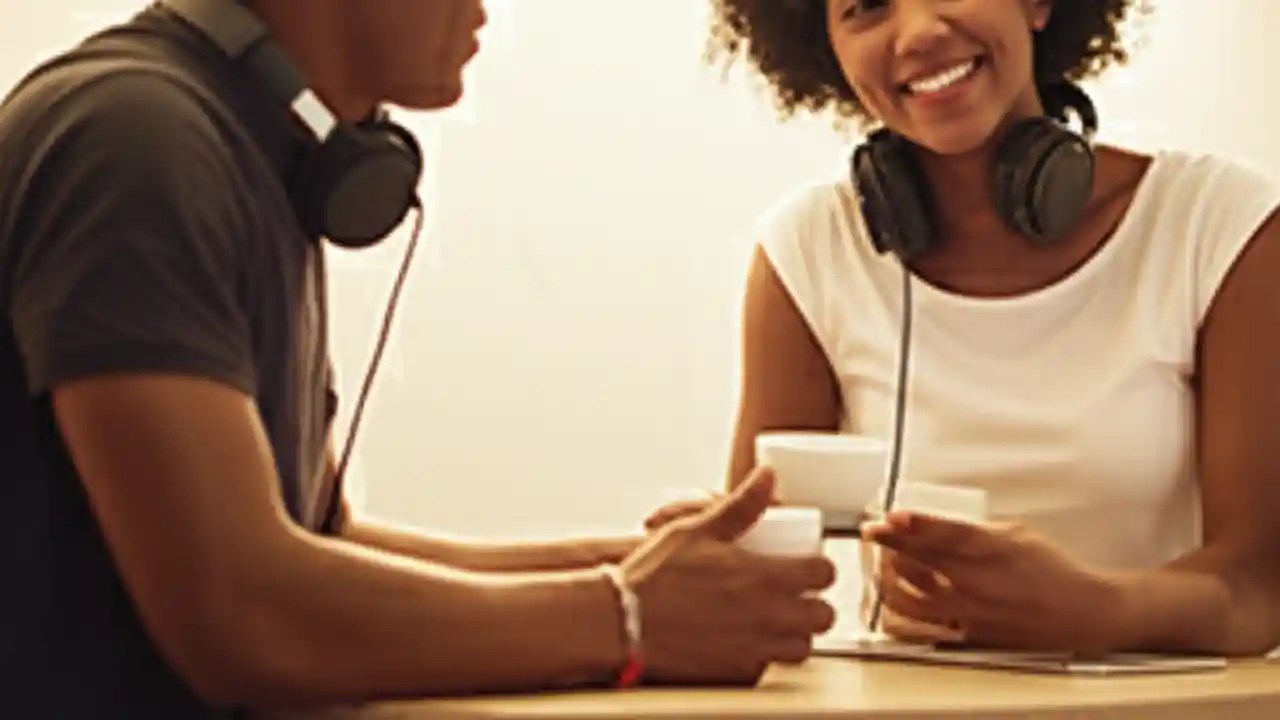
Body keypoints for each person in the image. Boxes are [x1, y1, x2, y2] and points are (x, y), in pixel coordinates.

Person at [0, 0, 838, 716]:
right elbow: (244, 610)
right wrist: (626, 616)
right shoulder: (134, 143)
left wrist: (643, 567)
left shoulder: (245, 149)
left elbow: (324, 542)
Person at [649, 0, 1280, 656]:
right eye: (865, 7)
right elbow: (764, 576)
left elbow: (1263, 586)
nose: (919, 31)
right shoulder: (809, 251)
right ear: (827, 48)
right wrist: (718, 558)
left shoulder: (1217, 225)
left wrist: (1098, 608)